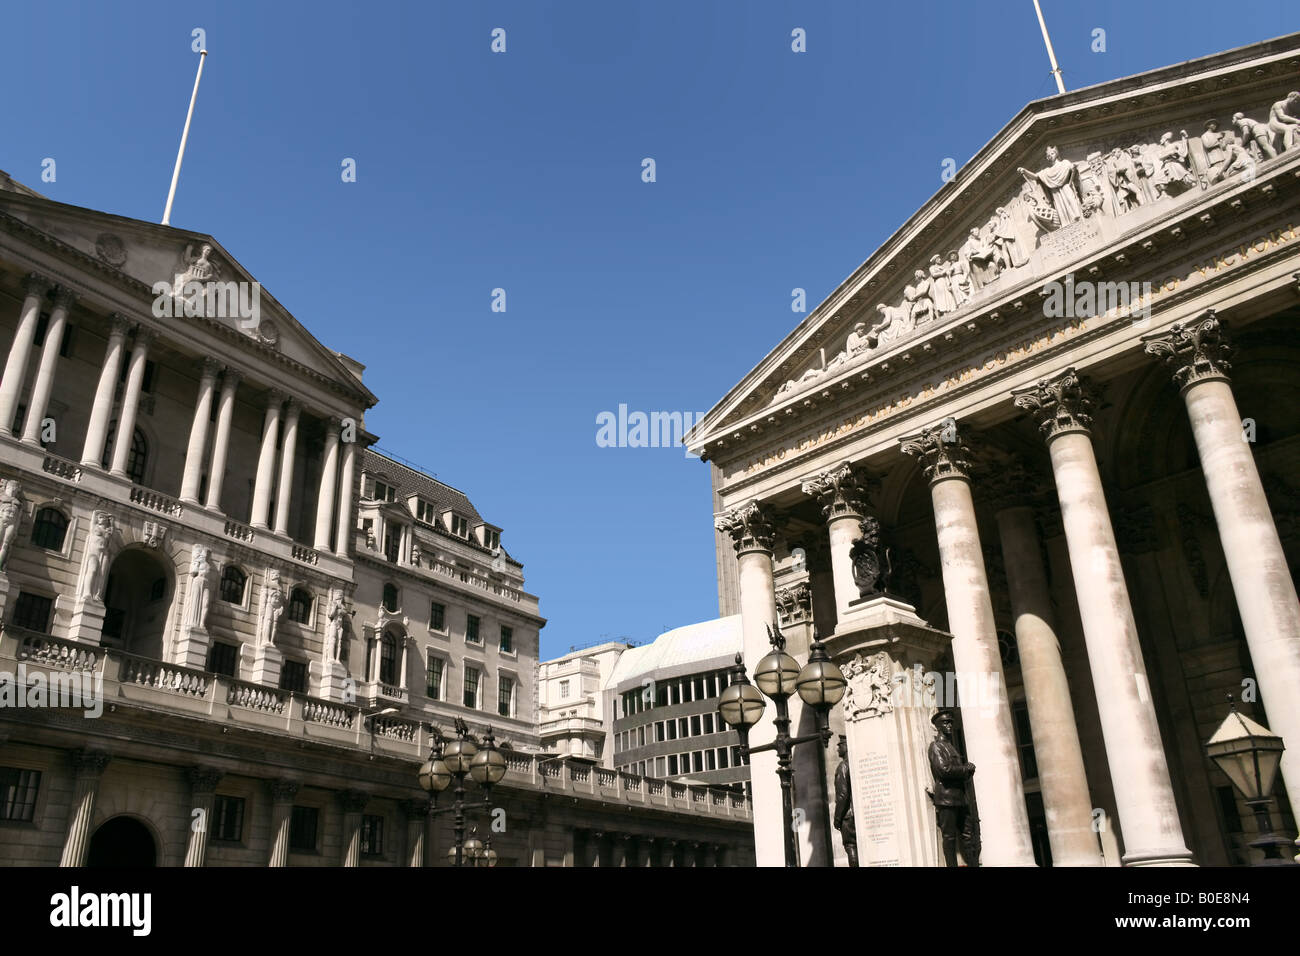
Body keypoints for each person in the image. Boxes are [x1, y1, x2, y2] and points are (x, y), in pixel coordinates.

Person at [928, 708, 980, 867]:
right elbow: (944, 770)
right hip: (946, 799)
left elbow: (955, 771)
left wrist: (967, 770)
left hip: (960, 798)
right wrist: (966, 769)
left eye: (950, 722)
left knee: (969, 835)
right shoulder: (936, 746)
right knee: (949, 838)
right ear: (937, 726)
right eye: (945, 722)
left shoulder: (951, 746)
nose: (949, 725)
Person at [1018, 146, 1084, 226]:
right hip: (1055, 192)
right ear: (1047, 158)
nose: (1051, 156)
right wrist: (1025, 171)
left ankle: (1078, 218)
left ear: (1056, 154)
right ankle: (1067, 224)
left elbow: (1073, 168)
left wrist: (1070, 182)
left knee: (1071, 199)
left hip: (1066, 186)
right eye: (1049, 155)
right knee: (1060, 208)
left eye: (1052, 153)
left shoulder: (1064, 163)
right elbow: (1036, 176)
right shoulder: (1047, 171)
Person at [833, 736, 858, 867]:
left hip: (848, 816)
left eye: (840, 745)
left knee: (851, 846)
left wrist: (837, 818)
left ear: (846, 747)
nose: (837, 749)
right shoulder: (855, 764)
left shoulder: (843, 766)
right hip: (857, 814)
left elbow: (843, 795)